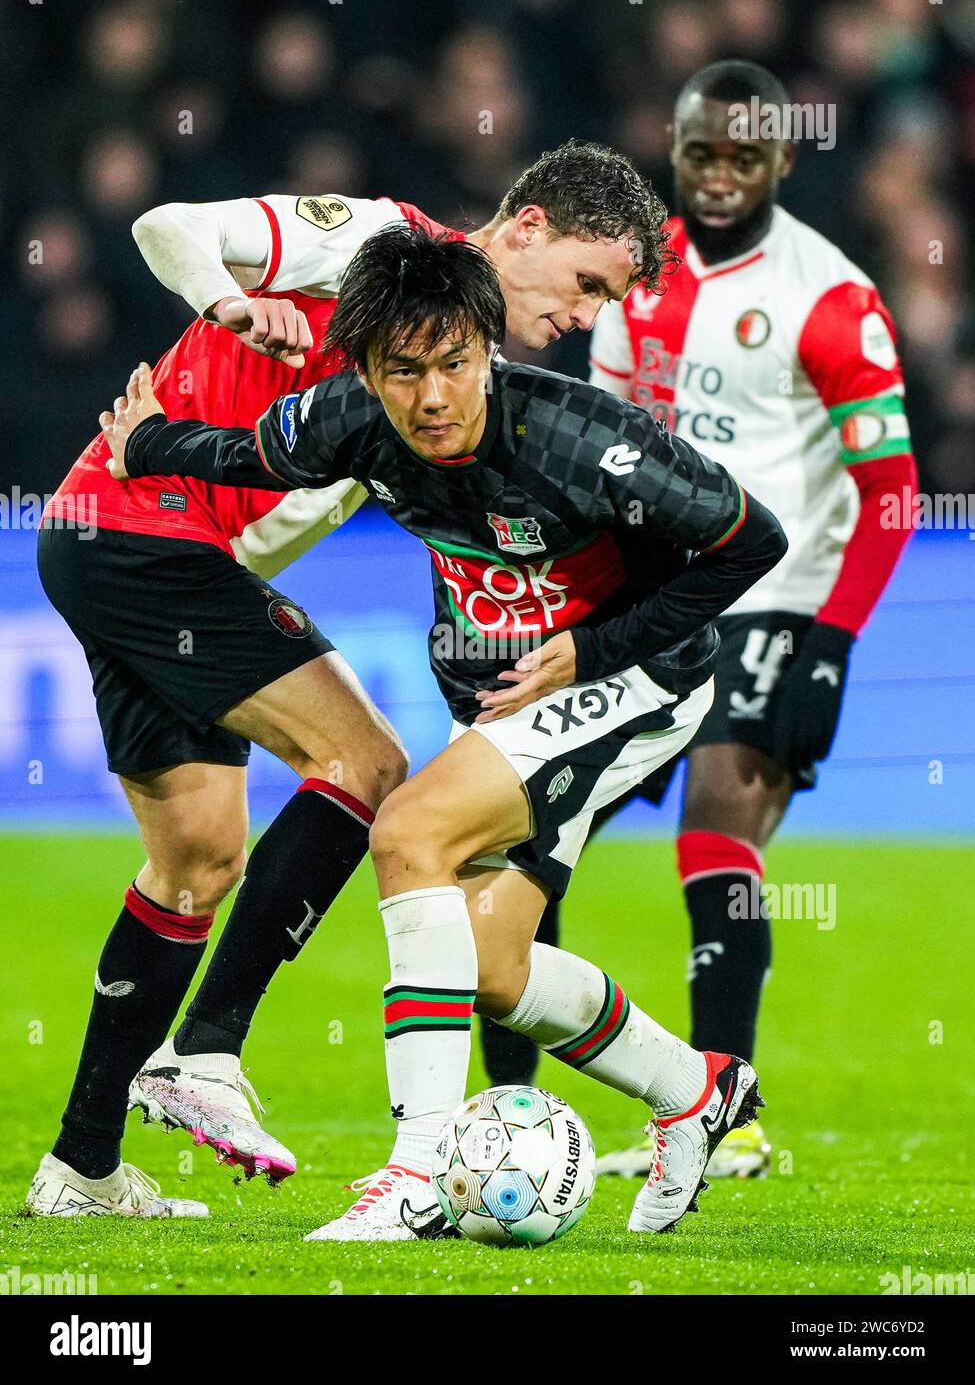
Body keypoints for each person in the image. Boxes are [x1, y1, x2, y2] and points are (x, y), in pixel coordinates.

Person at [99, 223, 787, 1239]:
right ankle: (695, 1090)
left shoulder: (585, 438)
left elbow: (749, 541)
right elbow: (252, 457)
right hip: (521, 700)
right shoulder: (347, 418)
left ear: (487, 345)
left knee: (407, 831)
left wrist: (595, 650)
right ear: (366, 369)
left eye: (454, 363)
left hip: (637, 679)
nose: (431, 397)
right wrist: (147, 443)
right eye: (402, 370)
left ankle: (417, 1171)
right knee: (490, 965)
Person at [28, 143, 672, 1217]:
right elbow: (167, 226)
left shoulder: (451, 374)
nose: (588, 314)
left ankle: (81, 1164)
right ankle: (205, 1053)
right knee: (369, 764)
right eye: (587, 282)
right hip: (145, 534)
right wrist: (233, 303)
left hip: (139, 550)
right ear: (526, 228)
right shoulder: (380, 242)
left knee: (194, 863)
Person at [575, 61, 917, 1180]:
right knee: (536, 824)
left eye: (744, 157)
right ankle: (496, 1111)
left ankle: (728, 1115)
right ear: (673, 149)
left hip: (779, 594)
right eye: (700, 154)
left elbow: (892, 494)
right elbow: (613, 445)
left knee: (714, 819)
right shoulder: (635, 279)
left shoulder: (830, 296)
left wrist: (831, 644)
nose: (719, 177)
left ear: (784, 159)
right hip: (666, 597)